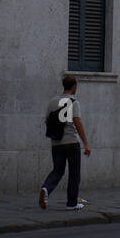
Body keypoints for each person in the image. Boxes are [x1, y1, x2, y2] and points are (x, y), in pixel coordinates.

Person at [39, 74, 90, 211]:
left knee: (57, 170)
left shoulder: (52, 102)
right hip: (71, 142)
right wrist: (86, 143)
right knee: (74, 173)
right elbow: (77, 122)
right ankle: (71, 203)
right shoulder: (73, 102)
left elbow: (47, 121)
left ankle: (46, 189)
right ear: (74, 86)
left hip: (56, 143)